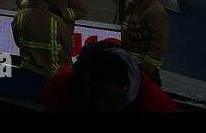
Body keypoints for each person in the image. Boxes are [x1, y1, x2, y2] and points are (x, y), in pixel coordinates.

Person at [42, 40, 176, 112]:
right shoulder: (62, 84)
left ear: (125, 86)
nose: (101, 106)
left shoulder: (156, 105)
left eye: (108, 99)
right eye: (96, 95)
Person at [12, 0, 70, 79]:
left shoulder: (20, 16)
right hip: (53, 74)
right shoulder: (57, 21)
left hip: (27, 68)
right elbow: (67, 47)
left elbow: (18, 42)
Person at [122, 0, 168, 88]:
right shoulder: (135, 4)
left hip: (145, 71)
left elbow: (158, 44)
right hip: (131, 65)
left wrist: (146, 69)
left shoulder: (155, 12)